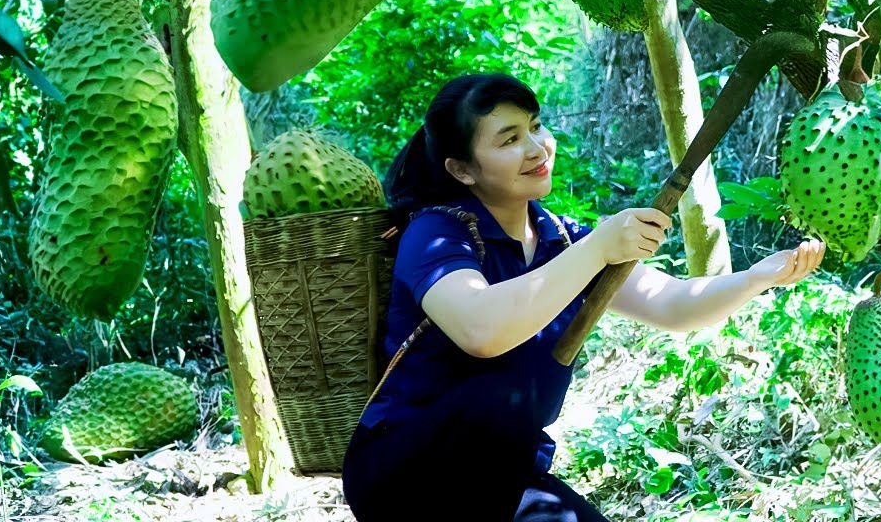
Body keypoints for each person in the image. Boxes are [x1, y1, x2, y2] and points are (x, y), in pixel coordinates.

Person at [341, 73, 825, 522]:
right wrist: (599, 248)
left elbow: (672, 304)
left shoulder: (560, 239)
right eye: (509, 140)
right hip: (404, 472)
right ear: (462, 170)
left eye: (535, 127)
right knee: (501, 395)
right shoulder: (437, 233)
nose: (537, 148)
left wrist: (756, 278)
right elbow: (481, 330)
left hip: (504, 475)